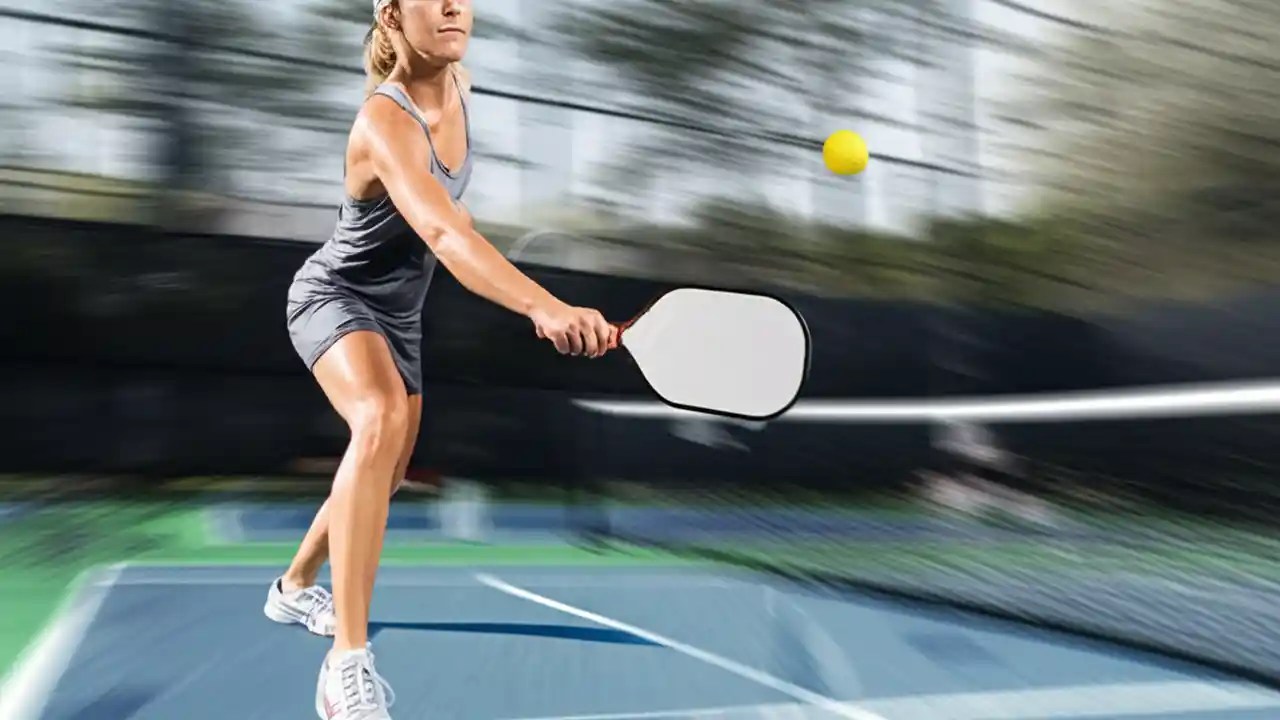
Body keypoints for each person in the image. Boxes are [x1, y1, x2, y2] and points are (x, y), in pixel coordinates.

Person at [263, 1, 616, 717]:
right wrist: (543, 305)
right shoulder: (383, 120)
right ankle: (346, 665)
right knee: (379, 417)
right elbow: (444, 239)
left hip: (400, 315)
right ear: (392, 16)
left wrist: (535, 292)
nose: (455, 5)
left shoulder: (460, 89)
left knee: (385, 473)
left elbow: (453, 217)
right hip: (335, 296)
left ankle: (294, 588)